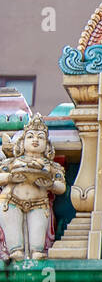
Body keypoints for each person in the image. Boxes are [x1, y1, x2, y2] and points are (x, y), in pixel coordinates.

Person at [0, 112, 64, 262]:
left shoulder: (51, 166)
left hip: (39, 203)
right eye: (30, 136)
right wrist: (11, 177)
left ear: (47, 145)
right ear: (22, 142)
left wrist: (50, 184)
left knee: (37, 248)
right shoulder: (11, 163)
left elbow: (61, 187)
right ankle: (14, 250)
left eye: (40, 137)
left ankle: (36, 251)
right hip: (11, 202)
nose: (35, 140)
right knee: (16, 249)